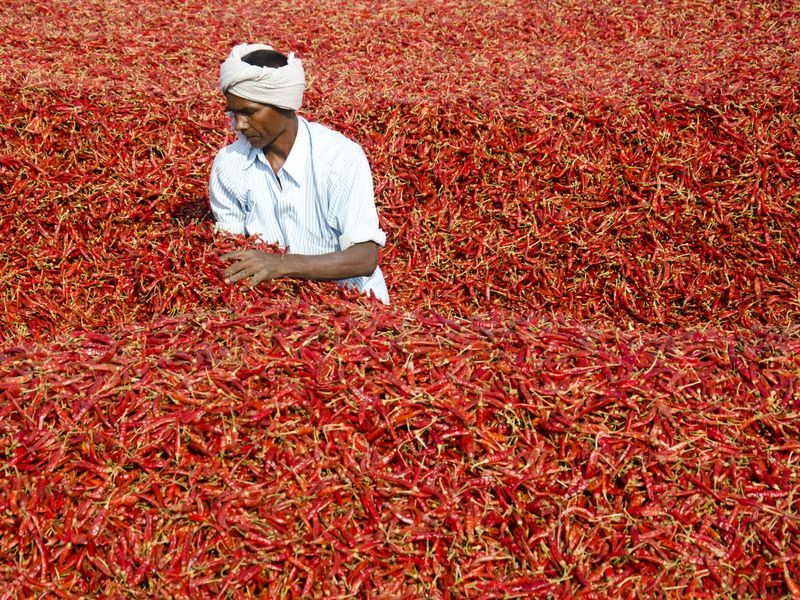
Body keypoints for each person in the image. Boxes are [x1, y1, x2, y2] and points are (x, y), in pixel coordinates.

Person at [209, 43, 390, 304]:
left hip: (356, 310)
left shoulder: (339, 158)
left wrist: (280, 265)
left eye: (249, 112)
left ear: (284, 104)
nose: (239, 124)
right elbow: (231, 252)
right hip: (278, 310)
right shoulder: (229, 165)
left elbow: (365, 257)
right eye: (233, 112)